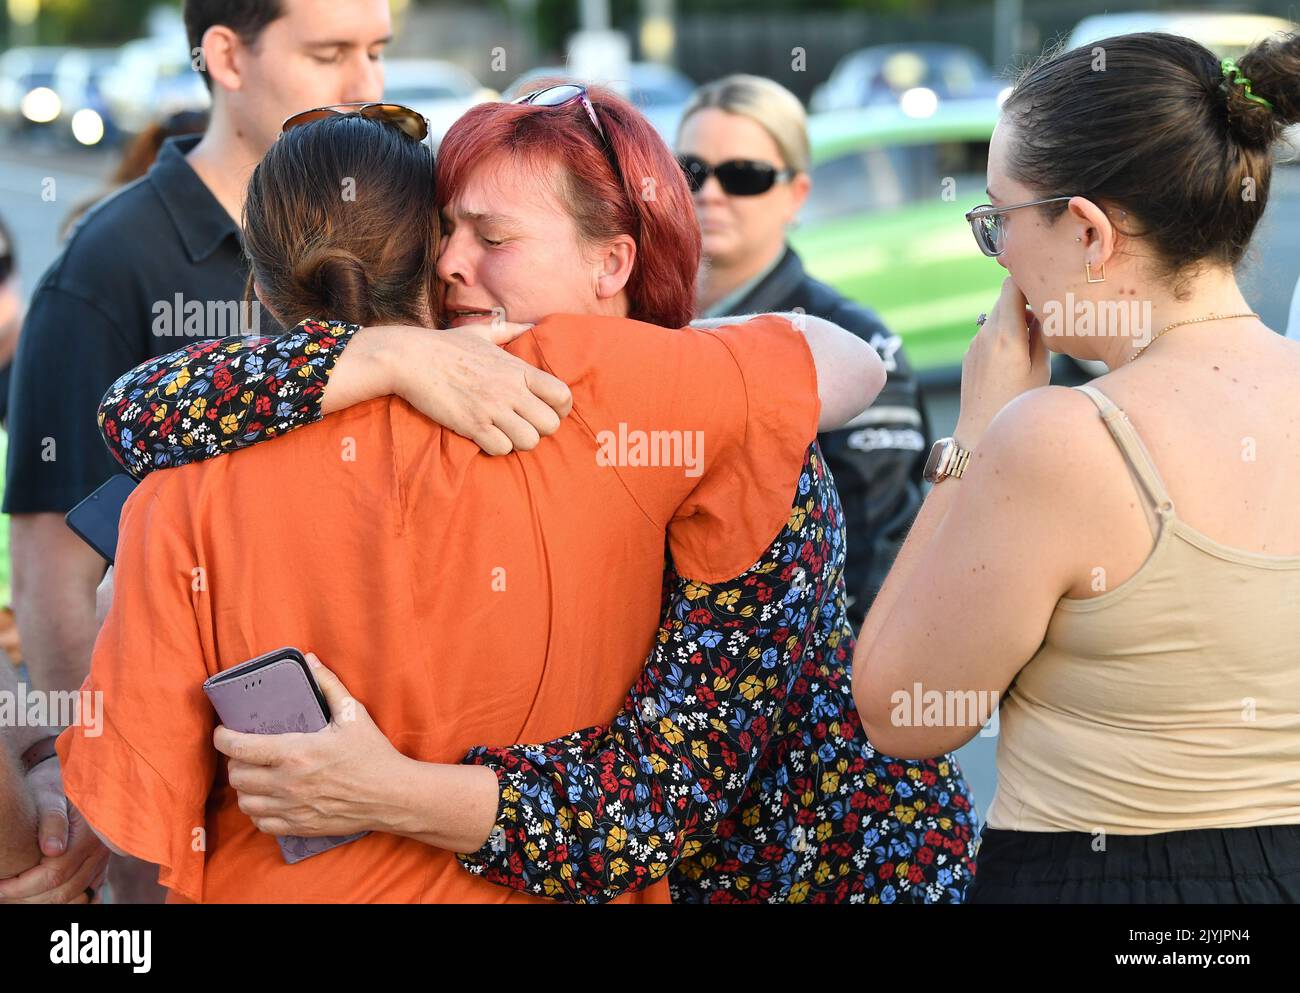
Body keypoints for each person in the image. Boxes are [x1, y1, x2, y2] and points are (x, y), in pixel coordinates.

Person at [79, 85, 977, 904]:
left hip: (816, 869)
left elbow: (646, 812)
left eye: (491, 239)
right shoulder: (464, 392)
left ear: (612, 261)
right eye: (441, 235)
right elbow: (137, 414)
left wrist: (379, 789)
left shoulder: (729, 428)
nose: (449, 267)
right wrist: (387, 350)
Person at [0, 0, 567, 908]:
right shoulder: (107, 265)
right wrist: (100, 829)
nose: (365, 83)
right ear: (226, 54)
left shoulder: (498, 362)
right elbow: (55, 567)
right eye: (329, 52)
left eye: (378, 51)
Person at [852, 30, 1300, 903]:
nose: (1001, 255)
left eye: (999, 219)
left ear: (1088, 230)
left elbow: (898, 709)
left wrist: (976, 431)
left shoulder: (1062, 438)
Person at [677, 74, 929, 626]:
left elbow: (877, 550)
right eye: (690, 171)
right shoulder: (639, 314)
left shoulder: (854, 342)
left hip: (794, 681)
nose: (710, 193)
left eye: (745, 175)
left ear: (797, 194)